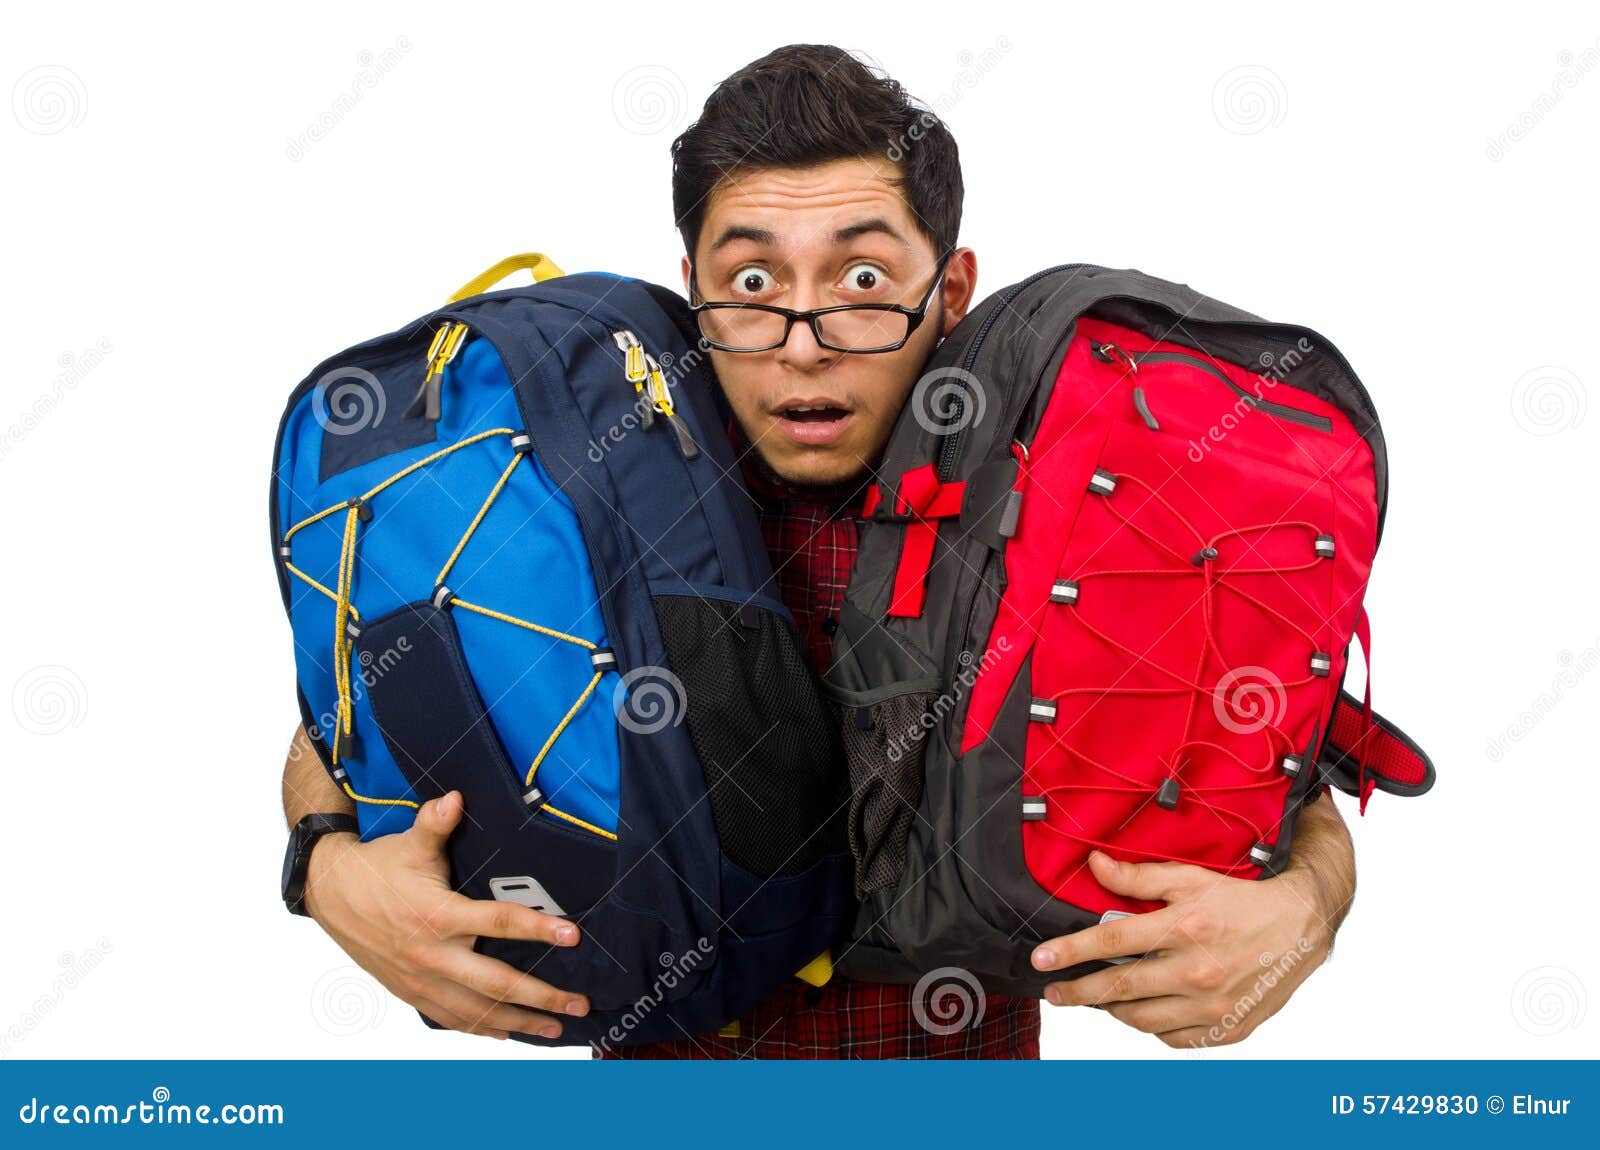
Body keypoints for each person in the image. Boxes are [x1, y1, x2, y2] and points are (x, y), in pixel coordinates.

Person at [280, 43, 1357, 1059]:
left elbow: (1274, 759)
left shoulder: (1047, 497)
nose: (803, 343)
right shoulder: (593, 487)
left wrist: (1307, 904)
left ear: (953, 289)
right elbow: (347, 713)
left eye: (861, 282)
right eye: (751, 285)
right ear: (692, 285)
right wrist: (328, 870)